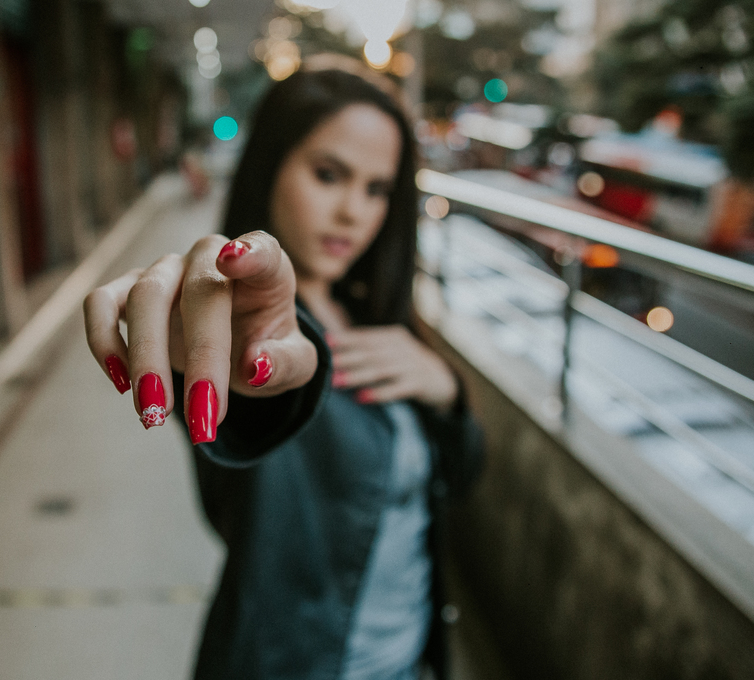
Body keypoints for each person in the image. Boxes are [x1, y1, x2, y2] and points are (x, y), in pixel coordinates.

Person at [84, 68, 483, 680]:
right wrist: (226, 360)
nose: (352, 212)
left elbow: (460, 476)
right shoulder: (255, 333)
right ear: (269, 166)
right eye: (328, 174)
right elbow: (258, 410)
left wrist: (448, 392)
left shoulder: (379, 320)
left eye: (377, 189)